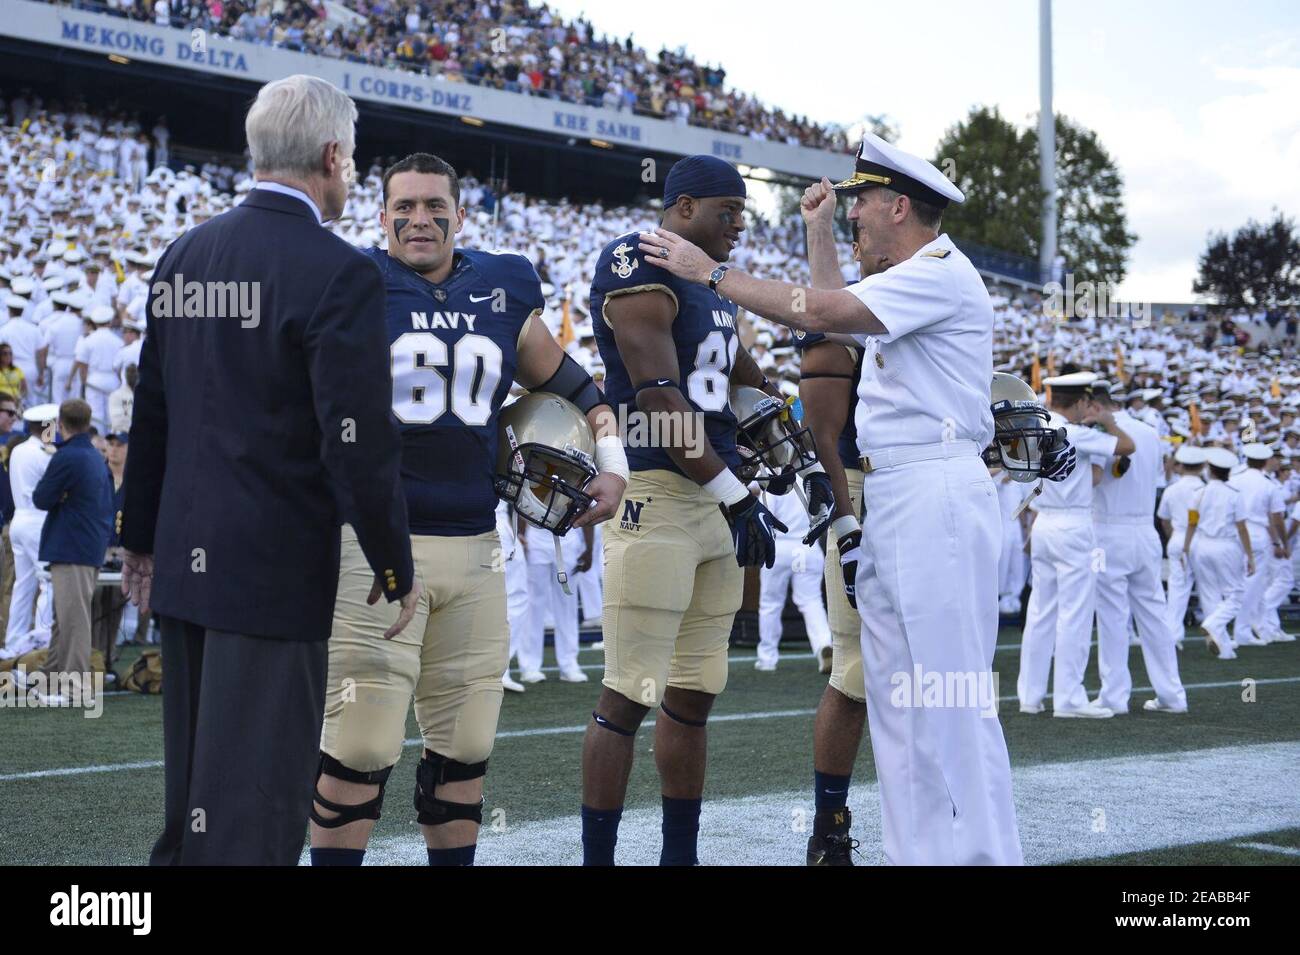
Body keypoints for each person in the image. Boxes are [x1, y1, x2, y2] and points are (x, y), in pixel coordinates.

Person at [636, 135, 1072, 864]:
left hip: (935, 488)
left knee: (953, 700)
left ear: (900, 206)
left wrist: (712, 272)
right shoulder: (912, 273)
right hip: (901, 492)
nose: (854, 218)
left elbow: (825, 310)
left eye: (862, 205)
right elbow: (831, 316)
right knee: (899, 706)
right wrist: (813, 230)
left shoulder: (939, 271)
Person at [120, 75, 420, 867]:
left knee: (194, 805)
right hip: (270, 573)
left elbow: (151, 413)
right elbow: (355, 440)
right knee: (253, 809)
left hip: (186, 565)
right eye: (351, 159)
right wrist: (394, 559)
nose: (352, 174)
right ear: (330, 156)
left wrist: (138, 539)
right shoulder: (338, 270)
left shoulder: (184, 254)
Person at [307, 154, 624, 867]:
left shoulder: (503, 285)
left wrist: (614, 465)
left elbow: (580, 388)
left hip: (479, 546)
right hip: (375, 546)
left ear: (459, 211)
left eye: (434, 205)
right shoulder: (348, 281)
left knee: (467, 746)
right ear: (381, 215)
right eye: (404, 206)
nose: (420, 219)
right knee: (360, 744)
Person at [581, 155, 798, 867]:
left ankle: (681, 855)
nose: (739, 222)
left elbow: (746, 387)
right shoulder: (633, 262)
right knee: (630, 692)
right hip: (659, 494)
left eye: (742, 210)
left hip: (718, 502)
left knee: (697, 689)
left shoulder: (713, 284)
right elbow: (659, 402)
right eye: (726, 209)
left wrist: (797, 464)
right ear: (682, 207)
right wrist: (734, 493)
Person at [1016, 373, 1133, 719]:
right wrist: (1108, 421)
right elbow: (1127, 446)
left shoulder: (1035, 427)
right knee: (1075, 613)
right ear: (1081, 401)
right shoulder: (1077, 433)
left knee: (1039, 612)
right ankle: (1069, 698)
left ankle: (1030, 695)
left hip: (1043, 521)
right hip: (1073, 524)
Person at [1089, 384, 1187, 715]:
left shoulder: (1097, 431)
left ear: (1094, 405)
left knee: (1112, 616)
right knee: (1154, 615)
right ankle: (1172, 695)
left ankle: (1114, 696)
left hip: (1107, 529)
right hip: (1144, 529)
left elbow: (1097, 478)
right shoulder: (1149, 431)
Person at [17, 399, 113, 706]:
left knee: (74, 620)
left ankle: (74, 689)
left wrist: (60, 496)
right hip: (84, 546)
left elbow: (42, 497)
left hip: (72, 547)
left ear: (61, 423)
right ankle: (49, 678)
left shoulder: (68, 456)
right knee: (64, 618)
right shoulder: (93, 455)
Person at [1186, 448, 1254, 658]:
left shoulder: (1200, 492)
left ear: (1210, 469)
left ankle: (1223, 648)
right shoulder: (1234, 494)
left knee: (1209, 595)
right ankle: (1213, 624)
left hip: (1201, 545)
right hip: (1225, 545)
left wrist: (1186, 548)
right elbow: (1242, 527)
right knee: (1236, 594)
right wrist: (1250, 556)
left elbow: (1191, 523)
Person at [755, 485, 832, 671]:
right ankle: (823, 644)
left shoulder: (773, 478)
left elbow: (764, 514)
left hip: (779, 547)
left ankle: (767, 659)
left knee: (770, 604)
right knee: (812, 601)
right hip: (808, 547)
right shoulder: (812, 476)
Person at [4, 403, 58, 659]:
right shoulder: (44, 453)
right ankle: (41, 642)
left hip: (19, 520)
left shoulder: (19, 450)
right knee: (48, 583)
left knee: (23, 585)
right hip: (38, 521)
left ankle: (14, 643)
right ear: (47, 427)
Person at [1228, 443, 1286, 648]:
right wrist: (1280, 541)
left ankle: (1253, 626)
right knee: (1252, 585)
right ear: (1265, 462)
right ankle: (1242, 631)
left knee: (1238, 582)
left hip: (1234, 532)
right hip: (1257, 534)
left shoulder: (1235, 478)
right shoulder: (1268, 484)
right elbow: (1276, 518)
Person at [1159, 445, 1207, 648]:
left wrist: (1174, 538)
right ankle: (1217, 634)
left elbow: (1163, 519)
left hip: (1178, 538)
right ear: (1202, 466)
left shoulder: (1172, 489)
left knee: (1177, 590)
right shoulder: (1206, 489)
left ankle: (1172, 636)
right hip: (1202, 539)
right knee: (1210, 589)